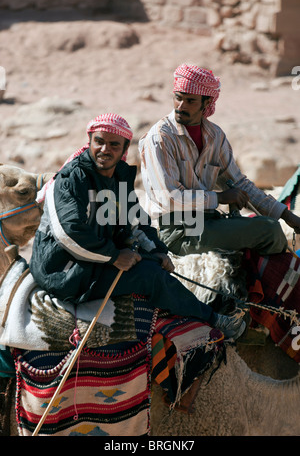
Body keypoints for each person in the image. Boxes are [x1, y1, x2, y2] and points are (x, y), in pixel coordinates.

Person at [29, 113, 245, 340]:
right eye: (99, 142)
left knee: (154, 264)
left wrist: (158, 251)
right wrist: (113, 256)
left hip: (91, 259)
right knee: (149, 276)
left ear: (123, 150)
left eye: (113, 145)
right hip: (63, 268)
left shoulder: (117, 179)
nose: (104, 149)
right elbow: (68, 234)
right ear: (90, 142)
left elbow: (136, 222)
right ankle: (214, 321)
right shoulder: (71, 179)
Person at [138, 63, 300, 257]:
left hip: (208, 222)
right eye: (178, 98)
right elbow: (169, 197)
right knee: (269, 231)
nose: (181, 106)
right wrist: (220, 197)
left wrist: (288, 216)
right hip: (177, 232)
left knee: (269, 225)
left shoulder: (215, 136)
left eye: (190, 101)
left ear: (206, 103)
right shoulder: (160, 137)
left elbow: (240, 183)